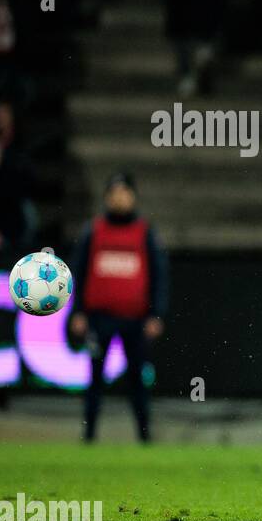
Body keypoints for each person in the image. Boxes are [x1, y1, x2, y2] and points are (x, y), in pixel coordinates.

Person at [68, 173, 169, 444]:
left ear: (133, 197)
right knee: (94, 378)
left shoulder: (145, 232)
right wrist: (77, 311)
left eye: (124, 193)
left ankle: (144, 436)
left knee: (137, 379)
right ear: (106, 198)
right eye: (114, 193)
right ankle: (88, 436)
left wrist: (156, 314)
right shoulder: (94, 230)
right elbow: (79, 272)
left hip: (135, 320)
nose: (119, 198)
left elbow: (159, 275)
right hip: (99, 319)